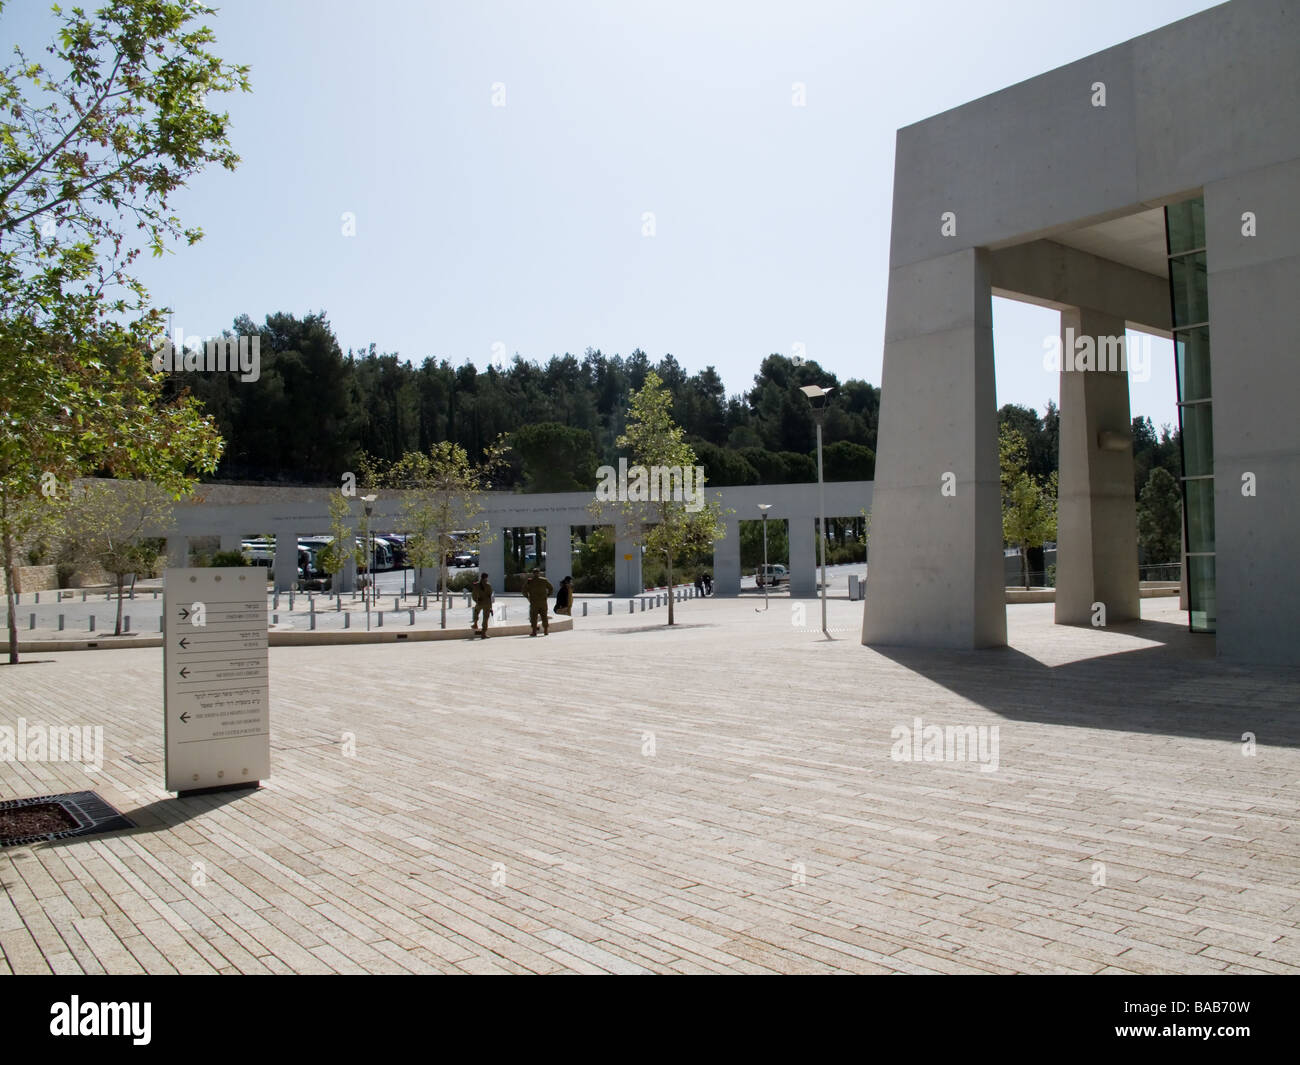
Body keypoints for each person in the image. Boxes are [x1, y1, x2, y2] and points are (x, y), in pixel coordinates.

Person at [522, 567, 554, 635]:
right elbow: (551, 588)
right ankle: (545, 630)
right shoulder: (544, 580)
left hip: (534, 602)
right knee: (544, 616)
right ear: (539, 573)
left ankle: (534, 632)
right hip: (543, 602)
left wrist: (527, 597)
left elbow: (524, 591)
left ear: (533, 573)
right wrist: (547, 595)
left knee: (534, 617)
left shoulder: (530, 581)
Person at [470, 572, 493, 638]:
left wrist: (477, 601)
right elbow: (490, 594)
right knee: (485, 618)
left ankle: (475, 624)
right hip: (487, 604)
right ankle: (483, 633)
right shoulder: (488, 585)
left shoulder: (476, 585)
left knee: (476, 612)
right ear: (486, 578)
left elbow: (473, 595)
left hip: (479, 603)